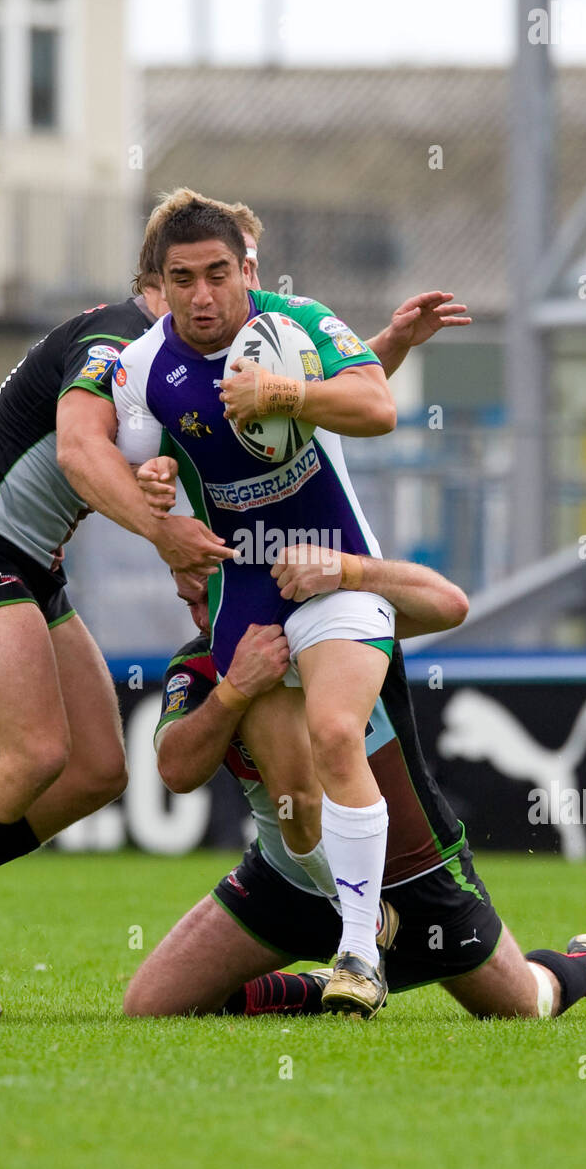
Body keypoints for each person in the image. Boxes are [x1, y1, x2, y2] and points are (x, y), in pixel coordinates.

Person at [123, 545, 586, 1025]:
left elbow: (449, 603)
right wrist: (236, 691)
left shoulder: (338, 621)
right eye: (187, 603)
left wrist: (348, 569)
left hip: (412, 871)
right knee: (153, 1005)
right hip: (287, 877)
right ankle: (334, 978)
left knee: (522, 1006)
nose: (201, 618)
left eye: (205, 597)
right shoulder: (202, 664)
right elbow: (176, 769)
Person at [0, 289, 231, 1016]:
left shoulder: (166, 365)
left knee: (96, 768)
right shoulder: (119, 337)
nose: (219, 294)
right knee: (33, 751)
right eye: (206, 273)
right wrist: (163, 537)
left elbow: (116, 467)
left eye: (234, 272)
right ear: (166, 276)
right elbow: (77, 449)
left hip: (29, 564)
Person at [99, 195, 417, 1018]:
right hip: (247, 590)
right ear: (159, 286)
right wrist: (155, 486)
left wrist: (286, 395)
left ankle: (355, 958)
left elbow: (378, 409)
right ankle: (361, 920)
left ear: (247, 270)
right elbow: (145, 471)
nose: (201, 296)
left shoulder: (302, 323)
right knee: (295, 802)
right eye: (180, 281)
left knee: (337, 730)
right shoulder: (138, 369)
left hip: (334, 569)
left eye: (216, 275)